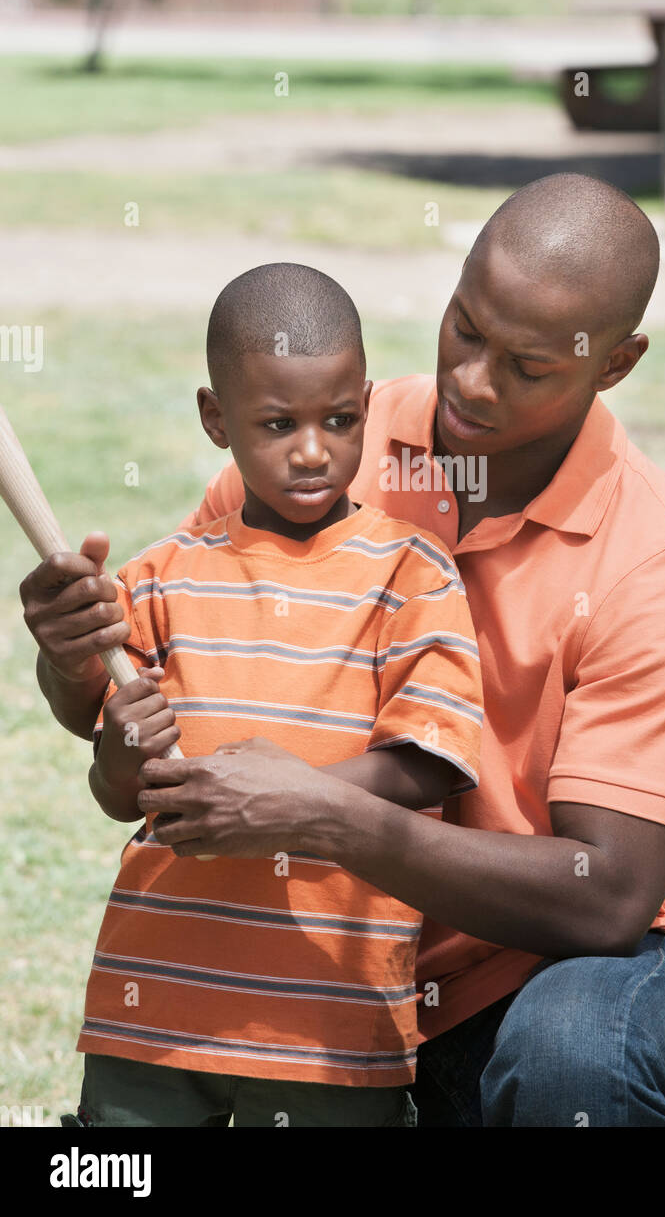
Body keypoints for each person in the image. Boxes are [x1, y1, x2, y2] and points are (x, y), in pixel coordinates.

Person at [23, 173, 665, 1128]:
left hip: (568, 969)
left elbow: (605, 897)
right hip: (354, 978)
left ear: (615, 363)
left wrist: (326, 817)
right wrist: (72, 656)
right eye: (465, 327)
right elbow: (141, 717)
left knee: (573, 1059)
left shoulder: (653, 555)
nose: (471, 382)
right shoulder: (336, 432)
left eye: (527, 367)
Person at [56, 263, 484, 1127]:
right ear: (217, 419)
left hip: (330, 1018)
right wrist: (118, 751)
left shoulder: (411, 574)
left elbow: (423, 769)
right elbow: (115, 794)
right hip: (155, 1011)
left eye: (339, 419)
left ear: (366, 403)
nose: (314, 449)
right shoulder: (160, 579)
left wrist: (285, 803)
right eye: (278, 423)